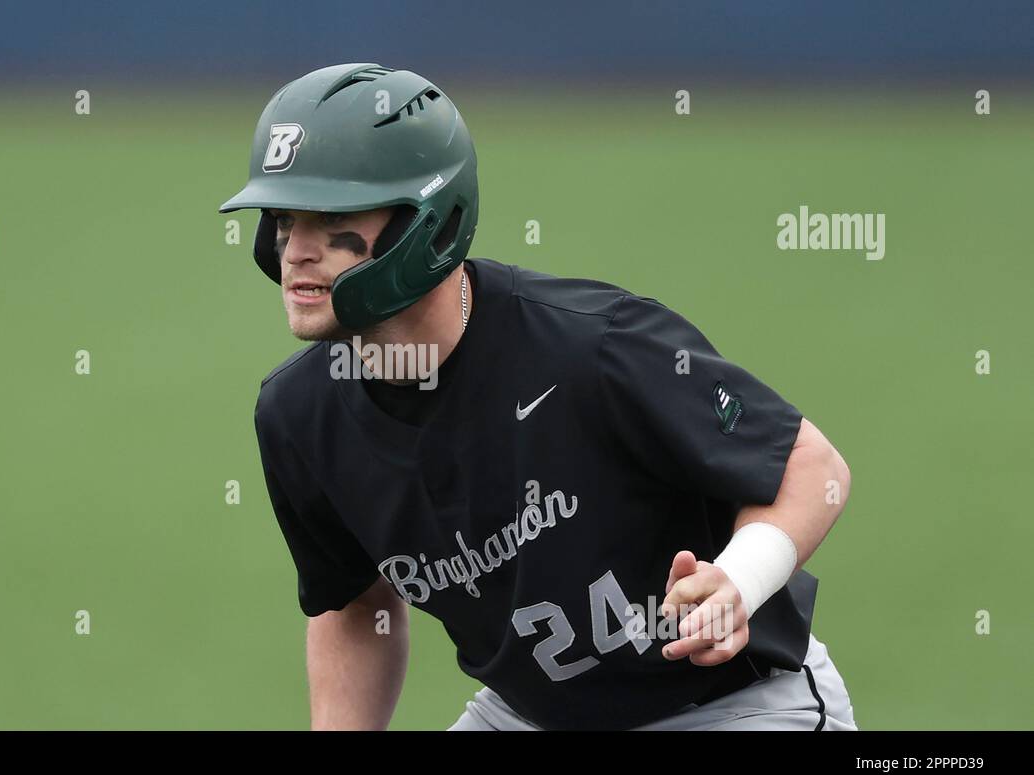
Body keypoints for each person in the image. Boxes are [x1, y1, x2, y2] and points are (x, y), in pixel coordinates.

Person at [220, 63, 857, 730]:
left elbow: (813, 467)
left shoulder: (593, 347)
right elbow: (354, 603)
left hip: (730, 705)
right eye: (285, 219)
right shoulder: (298, 416)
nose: (295, 251)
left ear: (428, 222)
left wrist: (740, 581)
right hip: (525, 717)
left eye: (331, 217)